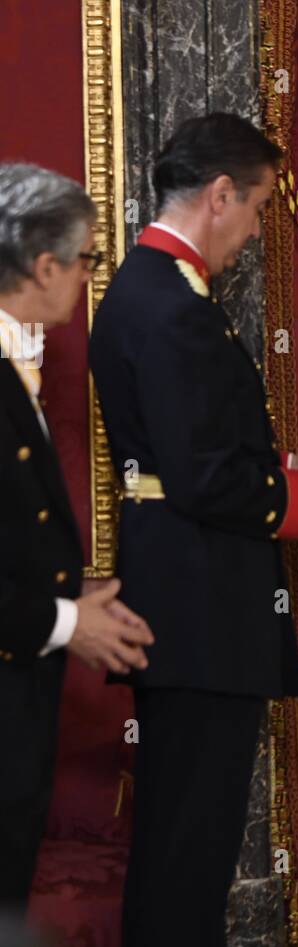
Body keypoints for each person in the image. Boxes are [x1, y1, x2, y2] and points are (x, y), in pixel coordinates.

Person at [89, 113, 298, 947]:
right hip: (200, 610)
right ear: (218, 197)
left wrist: (295, 470)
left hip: (191, 602)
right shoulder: (169, 306)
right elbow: (203, 478)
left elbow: (188, 458)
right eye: (255, 211)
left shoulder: (159, 294)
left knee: (181, 861)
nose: (254, 233)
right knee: (182, 866)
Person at [0, 164, 154, 909]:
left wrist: (71, 591)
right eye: (89, 258)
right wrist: (68, 622)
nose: (91, 276)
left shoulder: (16, 356)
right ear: (44, 264)